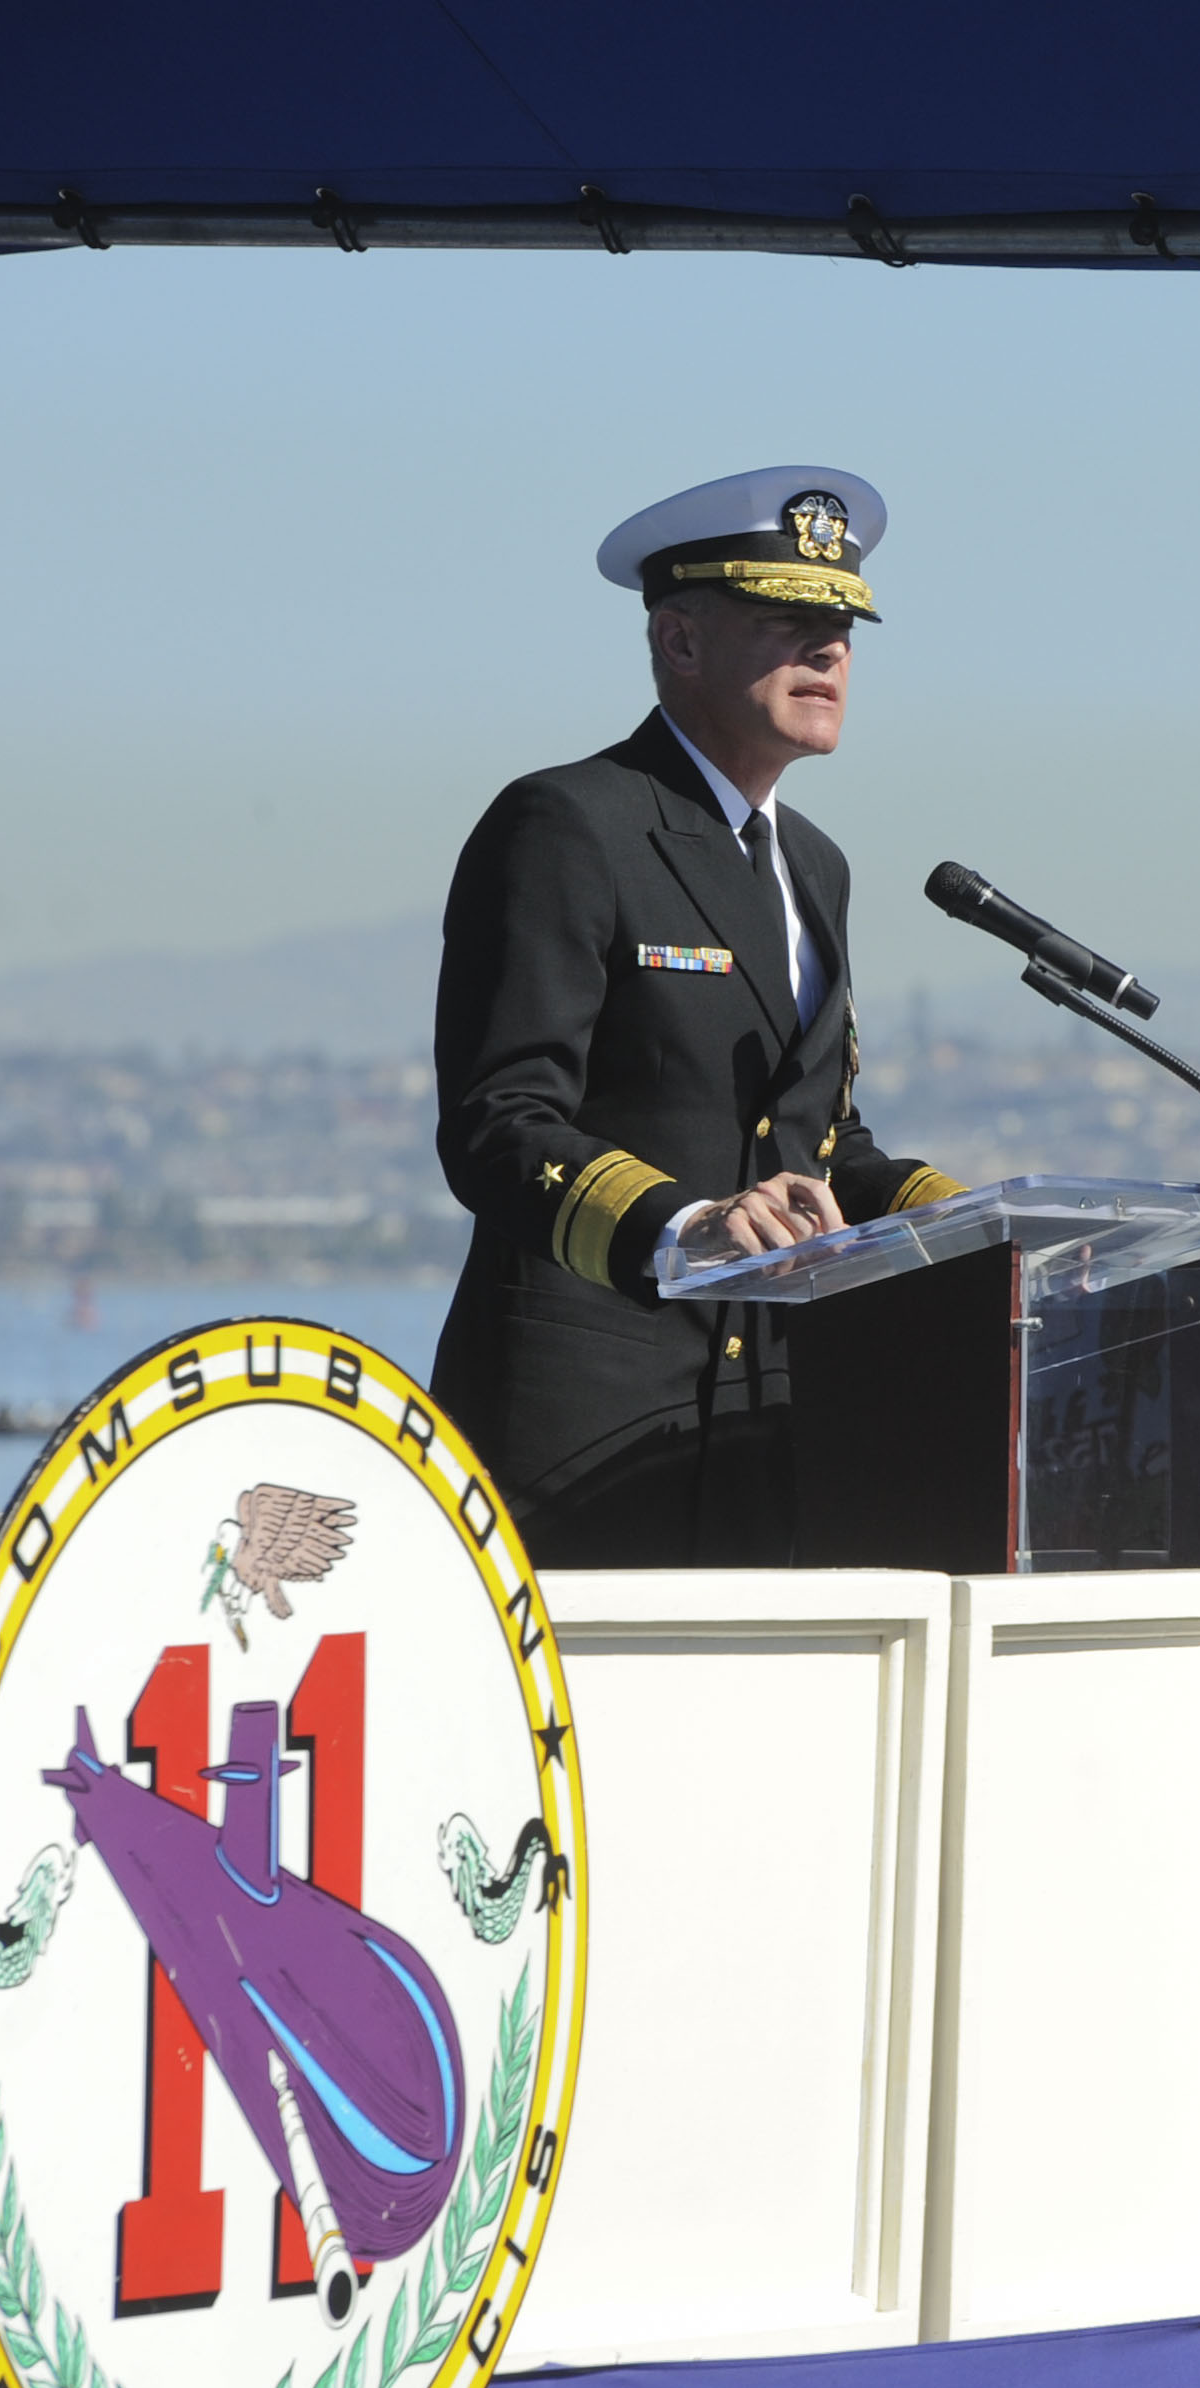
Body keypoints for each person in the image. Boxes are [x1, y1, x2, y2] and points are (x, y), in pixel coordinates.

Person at [430, 466, 965, 1565]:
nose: (829, 651)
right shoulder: (570, 823)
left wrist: (966, 1225)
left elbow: (819, 1143)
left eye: (842, 629)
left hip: (762, 1422)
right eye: (787, 621)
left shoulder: (815, 866)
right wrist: (688, 1227)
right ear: (678, 640)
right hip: (580, 1430)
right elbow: (499, 1122)